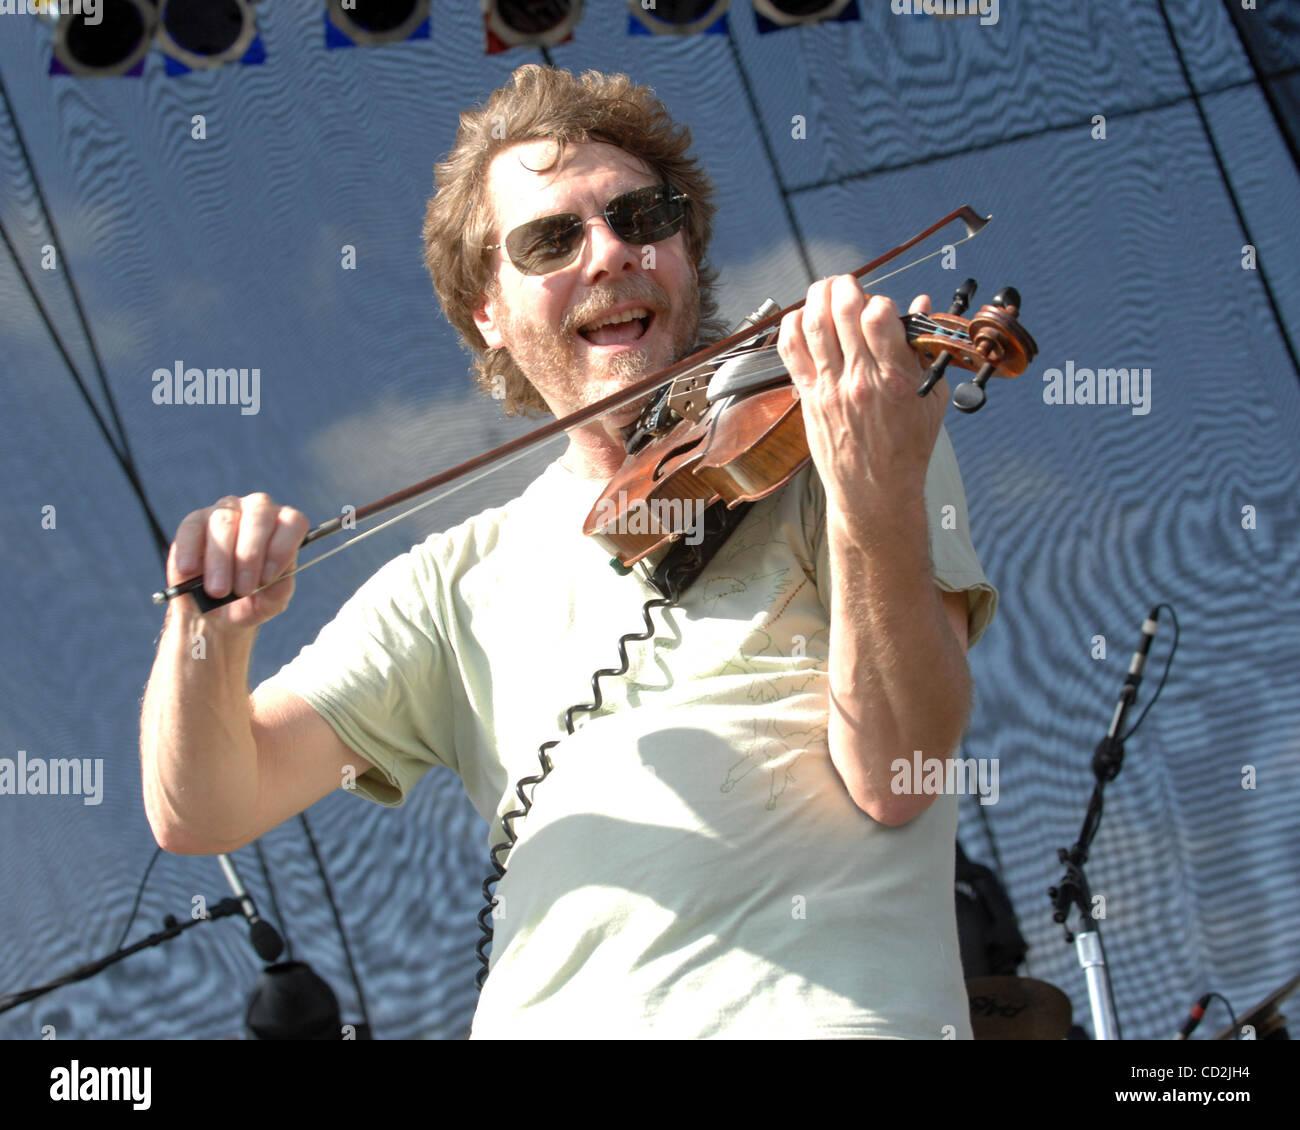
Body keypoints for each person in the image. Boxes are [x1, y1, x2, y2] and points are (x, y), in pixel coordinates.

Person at [140, 65, 997, 1039]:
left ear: (686, 248)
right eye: (554, 237)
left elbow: (902, 772)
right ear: (488, 311)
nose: (611, 253)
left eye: (643, 217)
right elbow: (203, 808)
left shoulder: (846, 434)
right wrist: (204, 623)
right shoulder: (449, 580)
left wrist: (874, 494)